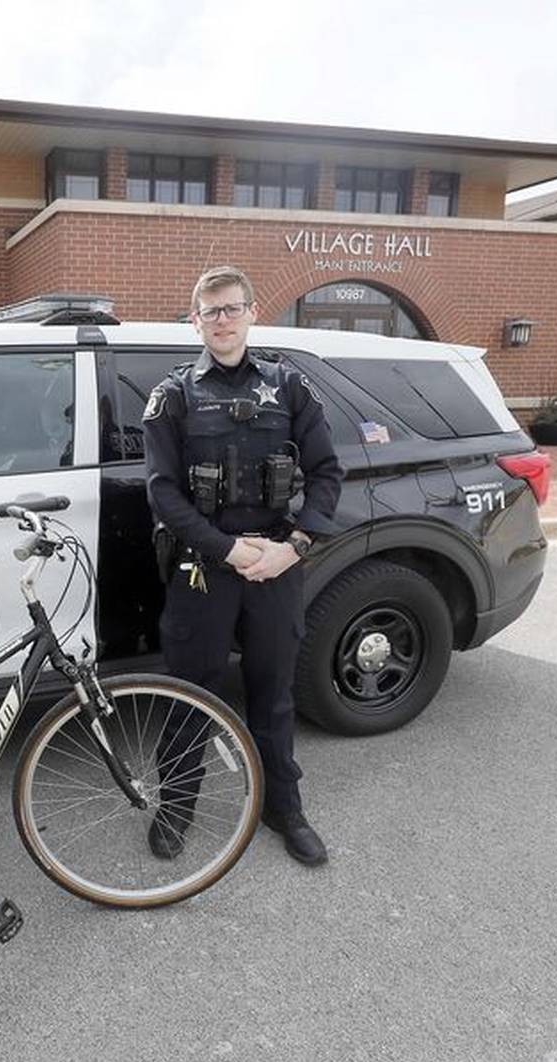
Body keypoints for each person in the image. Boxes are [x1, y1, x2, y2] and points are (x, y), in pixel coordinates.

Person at [142, 265, 343, 866]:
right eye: (211, 311)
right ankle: (176, 806)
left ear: (254, 312)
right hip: (203, 567)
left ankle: (284, 807)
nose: (222, 320)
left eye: (233, 309)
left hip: (277, 563)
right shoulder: (173, 395)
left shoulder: (290, 388)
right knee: (187, 694)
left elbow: (328, 473)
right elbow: (162, 490)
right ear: (195, 320)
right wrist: (226, 549)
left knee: (274, 694)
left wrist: (294, 546)